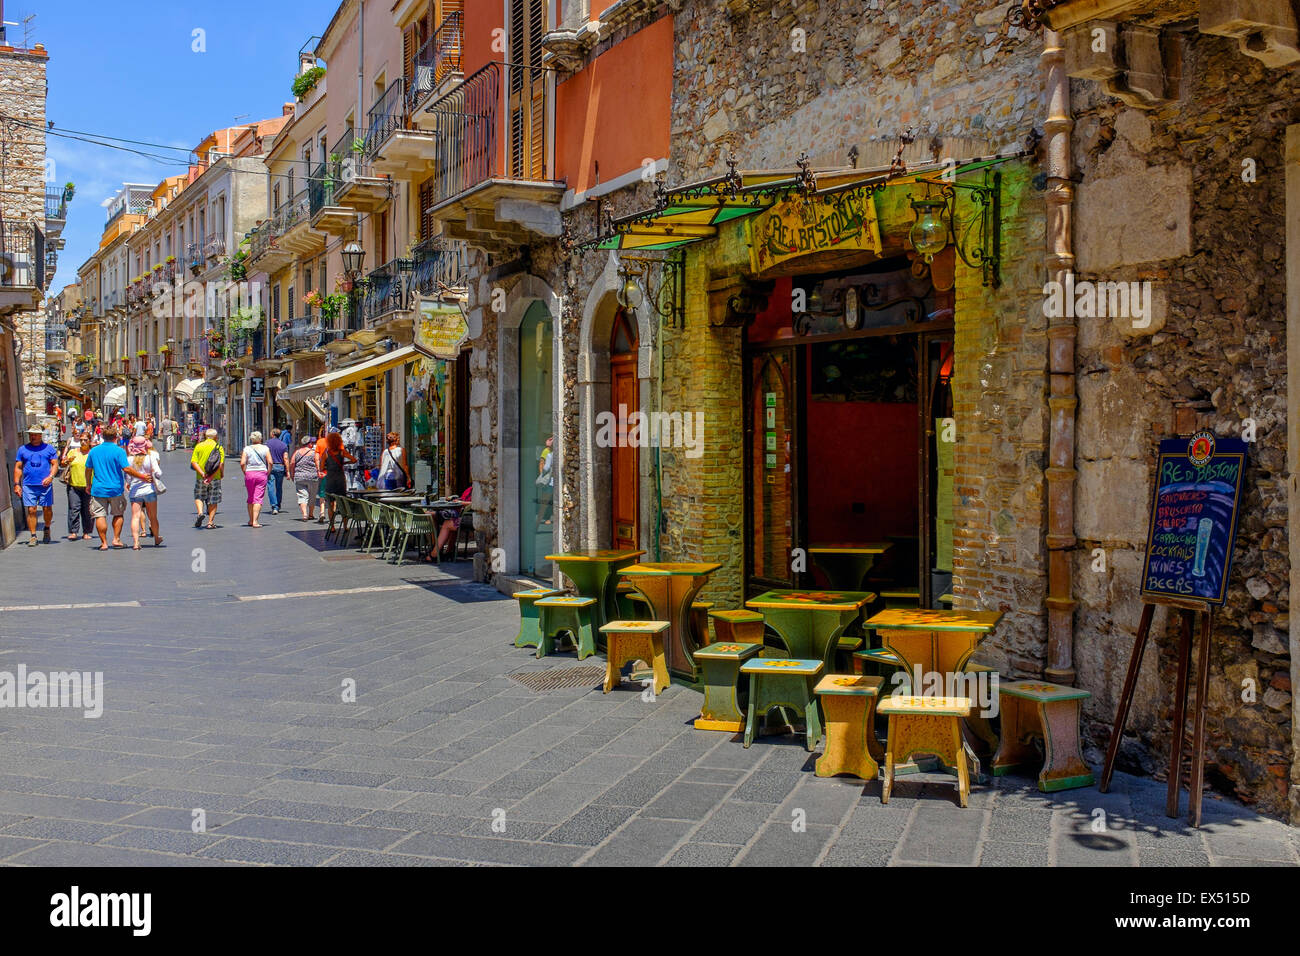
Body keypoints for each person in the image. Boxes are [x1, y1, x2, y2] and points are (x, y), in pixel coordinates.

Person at [84, 426, 150, 550]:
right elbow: (126, 469)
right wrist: (142, 476)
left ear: (103, 437)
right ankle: (116, 539)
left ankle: (104, 543)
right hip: (116, 489)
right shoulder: (119, 451)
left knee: (99, 516)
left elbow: (88, 469)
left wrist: (88, 484)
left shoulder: (94, 451)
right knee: (118, 514)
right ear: (116, 437)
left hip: (98, 488)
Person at [12, 424, 59, 546]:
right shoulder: (23, 449)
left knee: (47, 509)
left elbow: (55, 464)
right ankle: (33, 536)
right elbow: (18, 467)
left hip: (45, 485)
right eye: (31, 434)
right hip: (28, 484)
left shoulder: (49, 449)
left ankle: (47, 528)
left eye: (35, 434)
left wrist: (51, 477)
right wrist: (17, 484)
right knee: (31, 509)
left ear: (40, 435)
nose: (32, 436)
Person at [317, 431, 355, 533]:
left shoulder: (326, 453)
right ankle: (345, 526)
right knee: (342, 503)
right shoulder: (342, 452)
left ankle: (332, 526)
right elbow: (354, 460)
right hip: (340, 480)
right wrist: (344, 463)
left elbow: (321, 468)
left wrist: (327, 467)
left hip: (330, 479)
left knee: (330, 504)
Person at [126, 443, 162, 549]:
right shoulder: (150, 458)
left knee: (135, 516)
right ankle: (156, 538)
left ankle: (136, 542)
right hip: (149, 490)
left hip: (135, 491)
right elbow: (158, 473)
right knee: (153, 517)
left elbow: (127, 476)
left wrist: (129, 482)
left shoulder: (129, 459)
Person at [426, 485, 472, 563]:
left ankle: (434, 554)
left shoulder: (479, 490)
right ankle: (440, 549)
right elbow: (463, 499)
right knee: (431, 515)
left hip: (468, 517)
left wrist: (461, 502)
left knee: (447, 524)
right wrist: (455, 500)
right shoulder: (470, 489)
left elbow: (475, 503)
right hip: (458, 514)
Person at [190, 428, 225, 529]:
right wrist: (218, 474)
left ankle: (200, 512)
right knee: (213, 499)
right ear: (215, 437)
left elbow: (194, 462)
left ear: (206, 436)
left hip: (201, 477)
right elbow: (220, 464)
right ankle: (210, 522)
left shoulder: (199, 446)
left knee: (199, 496)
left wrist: (202, 473)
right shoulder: (219, 447)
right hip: (215, 477)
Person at [61, 434, 94, 541]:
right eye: (81, 440)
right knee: (74, 508)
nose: (83, 442)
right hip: (73, 485)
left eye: (85, 440)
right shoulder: (73, 452)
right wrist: (65, 461)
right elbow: (63, 463)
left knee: (88, 510)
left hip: (89, 486)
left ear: (89, 441)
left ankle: (86, 532)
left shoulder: (92, 453)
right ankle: (73, 531)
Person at [240, 430, 272, 528]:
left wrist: (245, 472)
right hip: (261, 473)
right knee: (258, 498)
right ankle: (255, 521)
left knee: (250, 497)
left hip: (250, 473)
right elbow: (270, 462)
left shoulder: (247, 449)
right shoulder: (265, 448)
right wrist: (268, 471)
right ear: (260, 438)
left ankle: (250, 520)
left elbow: (242, 463)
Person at [288, 435, 320, 521]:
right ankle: (311, 514)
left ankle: (304, 514)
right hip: (312, 477)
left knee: (302, 496)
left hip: (300, 477)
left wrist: (292, 474)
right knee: (312, 496)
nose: (312, 444)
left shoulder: (297, 452)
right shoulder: (314, 453)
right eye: (312, 443)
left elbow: (292, 463)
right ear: (309, 444)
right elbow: (318, 464)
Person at [265, 428, 288, 515]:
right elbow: (285, 458)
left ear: (272, 434)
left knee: (270, 486)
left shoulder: (267, 444)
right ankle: (278, 505)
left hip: (270, 466)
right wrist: (288, 471)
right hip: (280, 467)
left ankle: (274, 506)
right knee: (279, 487)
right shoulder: (283, 445)